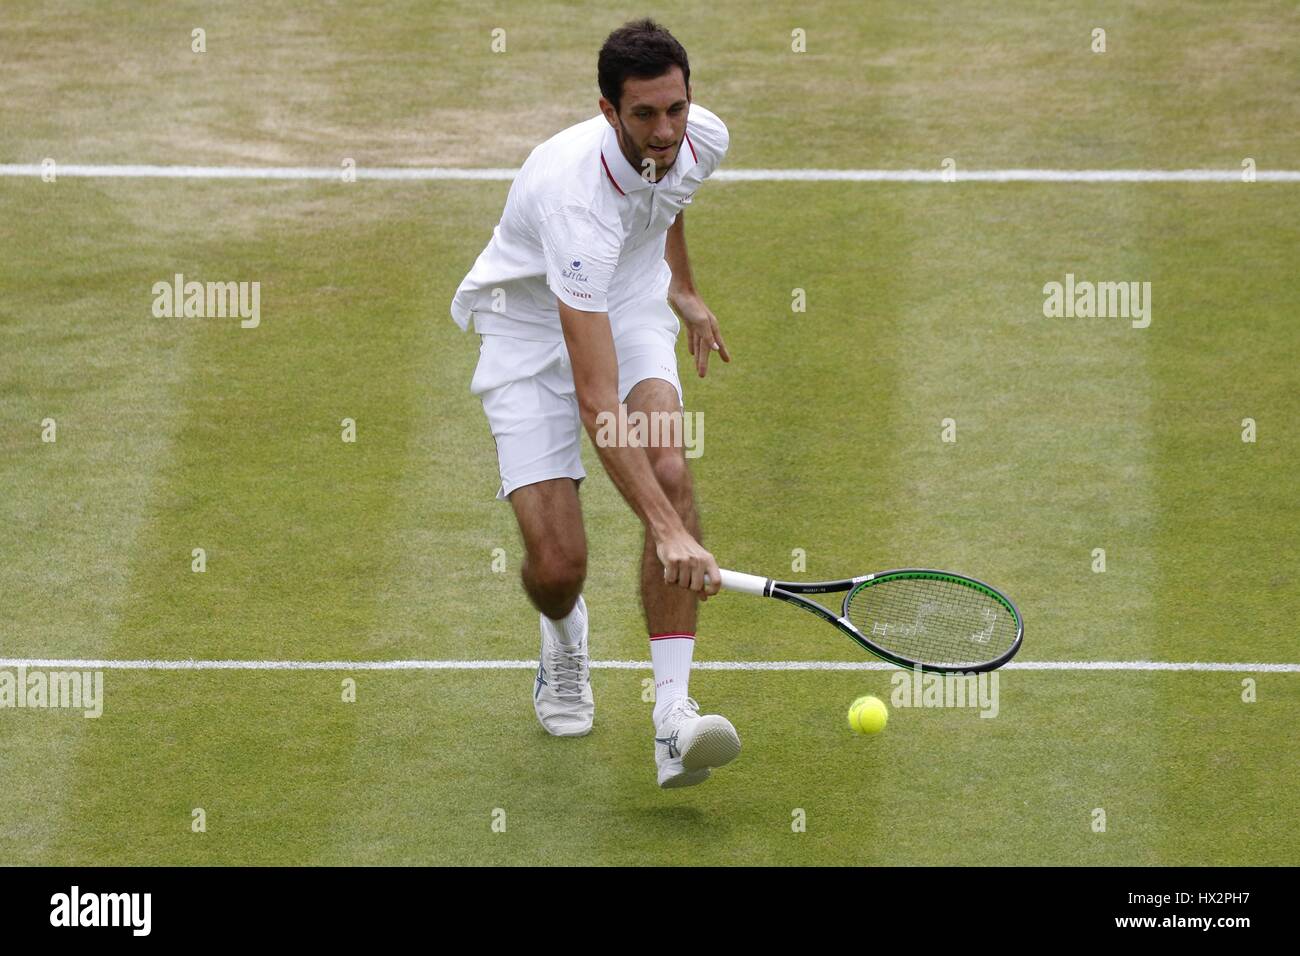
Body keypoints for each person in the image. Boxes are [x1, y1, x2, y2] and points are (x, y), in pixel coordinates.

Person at [450, 19, 738, 788]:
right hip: (529, 332)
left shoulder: (699, 137)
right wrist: (670, 535)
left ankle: (673, 718)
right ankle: (563, 635)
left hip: (632, 299)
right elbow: (596, 398)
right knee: (558, 565)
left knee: (670, 465)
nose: (664, 129)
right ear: (608, 111)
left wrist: (681, 288)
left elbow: (667, 197)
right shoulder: (574, 203)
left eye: (675, 109)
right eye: (643, 116)